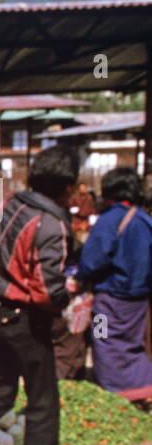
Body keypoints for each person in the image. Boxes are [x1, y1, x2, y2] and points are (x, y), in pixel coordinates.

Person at [0, 145, 78, 445]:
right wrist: (71, 294)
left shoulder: (5, 206)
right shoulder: (51, 225)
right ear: (68, 188)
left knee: (0, 394)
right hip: (27, 320)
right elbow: (49, 289)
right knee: (43, 398)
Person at [77, 166, 152, 402]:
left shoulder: (110, 219)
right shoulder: (144, 219)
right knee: (132, 343)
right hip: (138, 301)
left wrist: (81, 276)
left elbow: (92, 259)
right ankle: (145, 387)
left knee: (102, 340)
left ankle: (115, 393)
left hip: (109, 299)